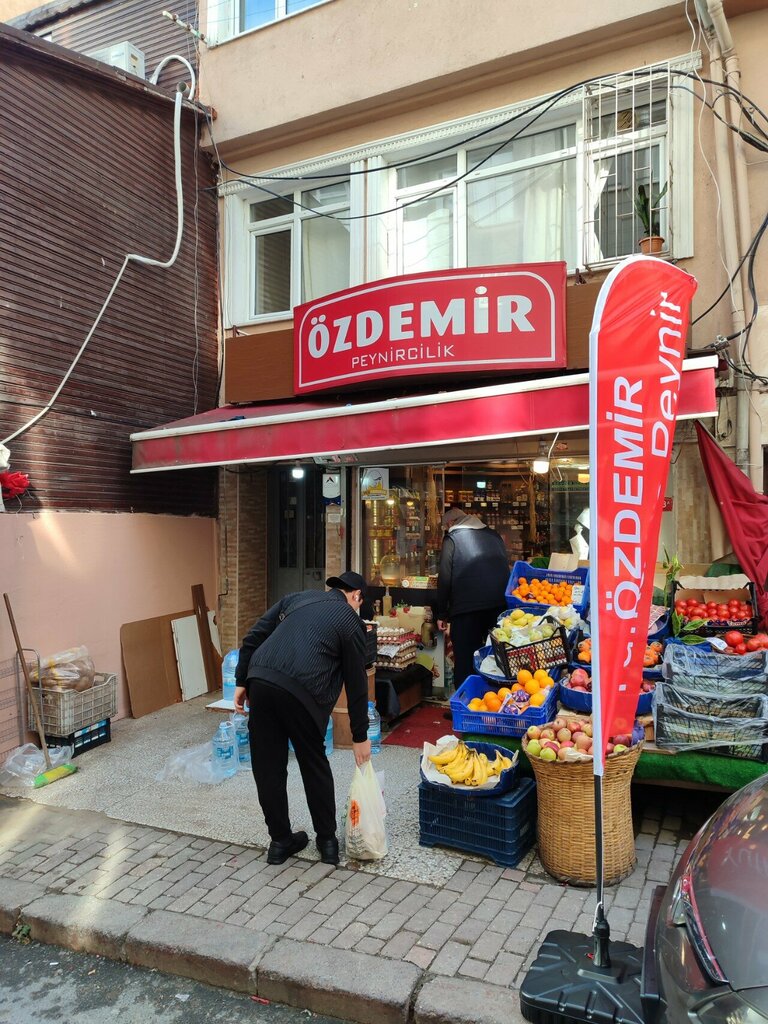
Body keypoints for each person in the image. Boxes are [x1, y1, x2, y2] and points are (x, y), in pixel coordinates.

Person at [233, 571, 372, 867]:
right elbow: (357, 684)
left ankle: (280, 841)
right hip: (302, 693)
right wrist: (360, 736)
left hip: (262, 681)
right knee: (313, 763)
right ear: (356, 596)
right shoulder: (350, 622)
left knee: (267, 765)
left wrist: (242, 680)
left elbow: (253, 637)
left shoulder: (297, 598)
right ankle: (327, 843)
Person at [435, 507, 510, 688]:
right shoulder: (494, 536)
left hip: (466, 609)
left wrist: (441, 613)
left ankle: (465, 704)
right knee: (497, 656)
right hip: (498, 606)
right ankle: (497, 700)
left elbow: (445, 577)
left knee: (465, 658)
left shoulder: (452, 539)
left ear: (451, 524)